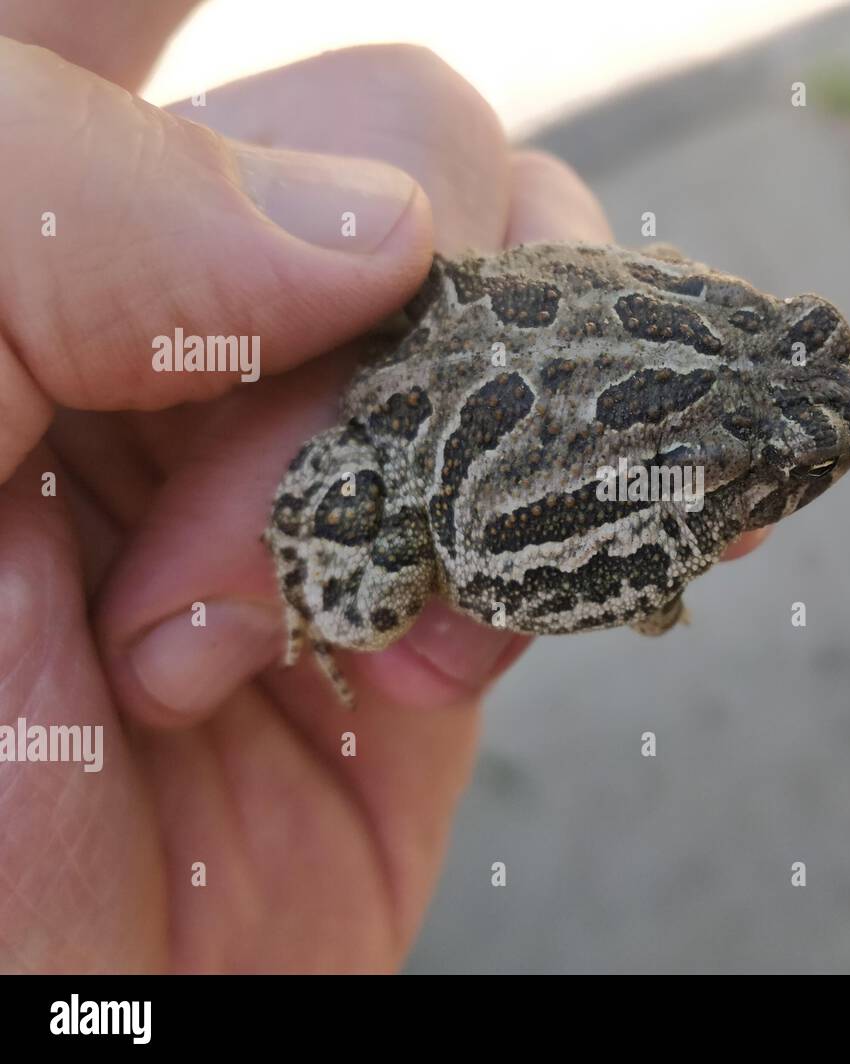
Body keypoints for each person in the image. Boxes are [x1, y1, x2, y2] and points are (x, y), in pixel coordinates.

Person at [0, 4, 762, 971]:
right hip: (403, 439)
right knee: (371, 606)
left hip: (448, 373)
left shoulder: (700, 459)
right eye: (789, 466)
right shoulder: (690, 489)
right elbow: (584, 577)